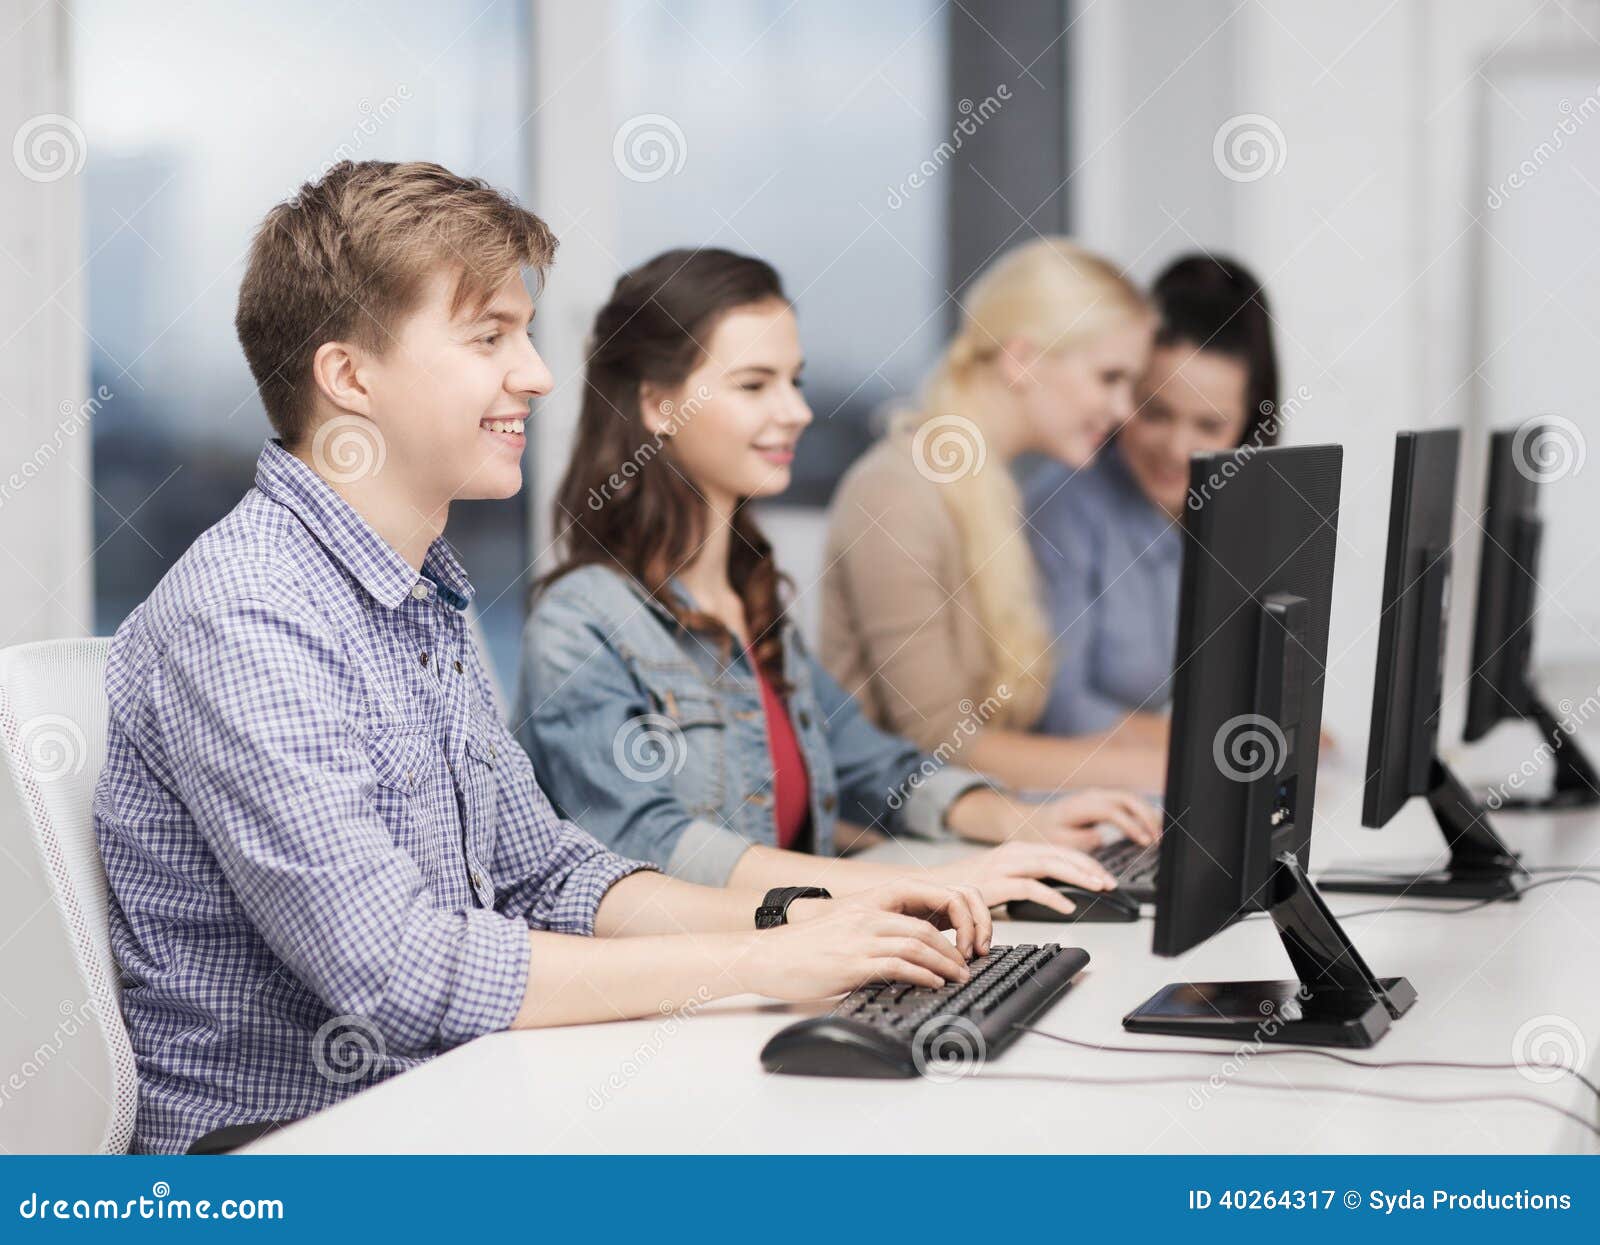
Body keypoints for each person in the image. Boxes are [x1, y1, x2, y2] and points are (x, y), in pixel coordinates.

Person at [93, 163, 995, 1155]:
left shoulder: (419, 592)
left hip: (448, 1101)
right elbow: (397, 973)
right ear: (350, 377)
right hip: (295, 1148)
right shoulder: (249, 613)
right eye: (489, 337)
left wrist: (803, 924)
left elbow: (549, 871)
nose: (537, 374)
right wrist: (755, 961)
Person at [516, 248, 1159, 914]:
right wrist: (933, 883)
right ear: (657, 405)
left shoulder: (750, 608)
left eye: (795, 380)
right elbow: (657, 845)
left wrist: (1021, 823)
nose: (796, 410)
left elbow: (874, 766)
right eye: (754, 384)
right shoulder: (581, 623)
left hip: (781, 973)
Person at [820, 238, 1163, 793]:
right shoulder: (895, 493)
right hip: (887, 847)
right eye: (1109, 379)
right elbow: (941, 744)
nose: (1124, 411)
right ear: (1022, 359)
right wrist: (1174, 772)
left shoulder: (994, 492)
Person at [1027, 253, 1280, 740]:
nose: (1178, 449)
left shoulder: (1234, 510)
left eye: (1209, 424)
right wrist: (1216, 737)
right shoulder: (1063, 506)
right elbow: (1058, 709)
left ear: (1248, 423)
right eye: (1155, 412)